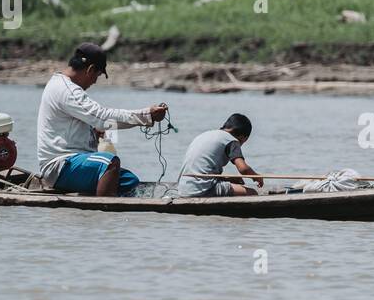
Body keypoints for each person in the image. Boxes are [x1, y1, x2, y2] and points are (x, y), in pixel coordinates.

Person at [36, 42, 168, 196]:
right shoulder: (66, 90)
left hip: (74, 163)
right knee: (110, 163)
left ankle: (98, 199)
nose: (94, 82)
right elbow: (102, 117)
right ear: (90, 69)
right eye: (97, 76)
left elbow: (96, 121)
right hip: (60, 166)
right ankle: (103, 213)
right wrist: (147, 115)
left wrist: (93, 133)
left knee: (130, 181)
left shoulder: (63, 86)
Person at [175, 114, 262, 197]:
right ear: (244, 138)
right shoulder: (231, 140)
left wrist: (228, 179)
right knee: (252, 193)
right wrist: (257, 177)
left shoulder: (206, 134)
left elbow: (201, 172)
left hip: (183, 188)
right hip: (203, 189)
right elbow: (243, 169)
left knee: (235, 183)